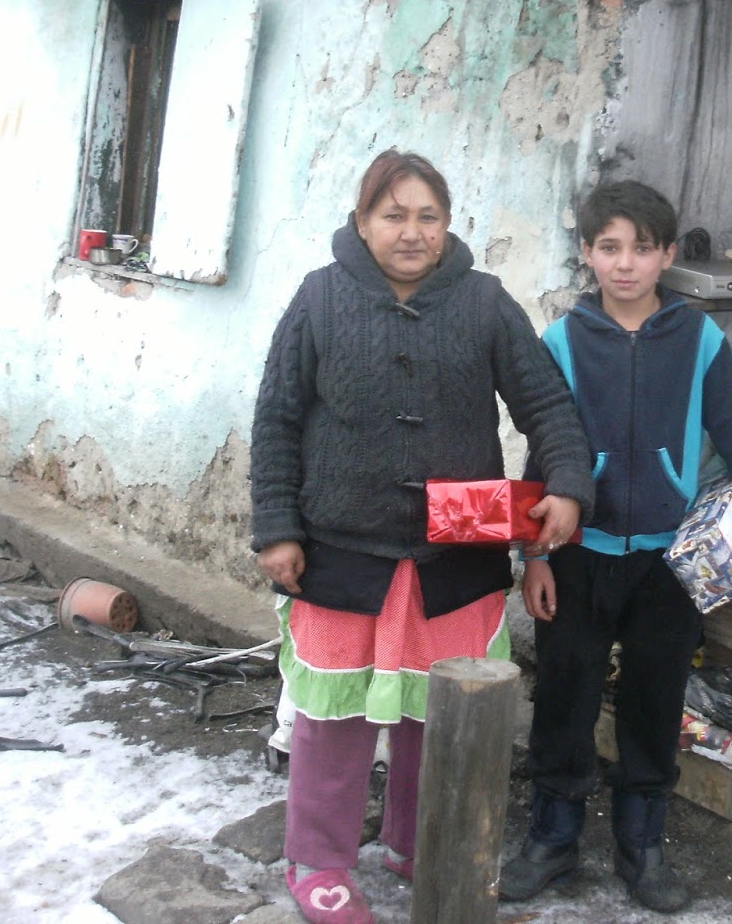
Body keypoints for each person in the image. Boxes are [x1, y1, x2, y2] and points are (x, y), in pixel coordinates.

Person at [250, 149, 594, 924]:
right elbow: (276, 417)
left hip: (457, 549)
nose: (412, 232)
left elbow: (546, 403)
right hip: (341, 545)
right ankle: (318, 859)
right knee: (333, 713)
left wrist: (569, 485)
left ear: (447, 223)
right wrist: (276, 528)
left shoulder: (484, 302)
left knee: (436, 712)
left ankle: (419, 842)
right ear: (362, 221)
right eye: (394, 215)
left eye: (428, 216)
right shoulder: (320, 298)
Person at [500, 180, 732, 913]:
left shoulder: (701, 341)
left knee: (655, 700)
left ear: (667, 255)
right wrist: (536, 556)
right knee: (564, 695)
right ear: (587, 253)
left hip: (671, 561)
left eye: (641, 248)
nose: (624, 263)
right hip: (577, 551)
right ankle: (552, 838)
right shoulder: (562, 342)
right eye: (609, 247)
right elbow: (543, 451)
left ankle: (642, 845)